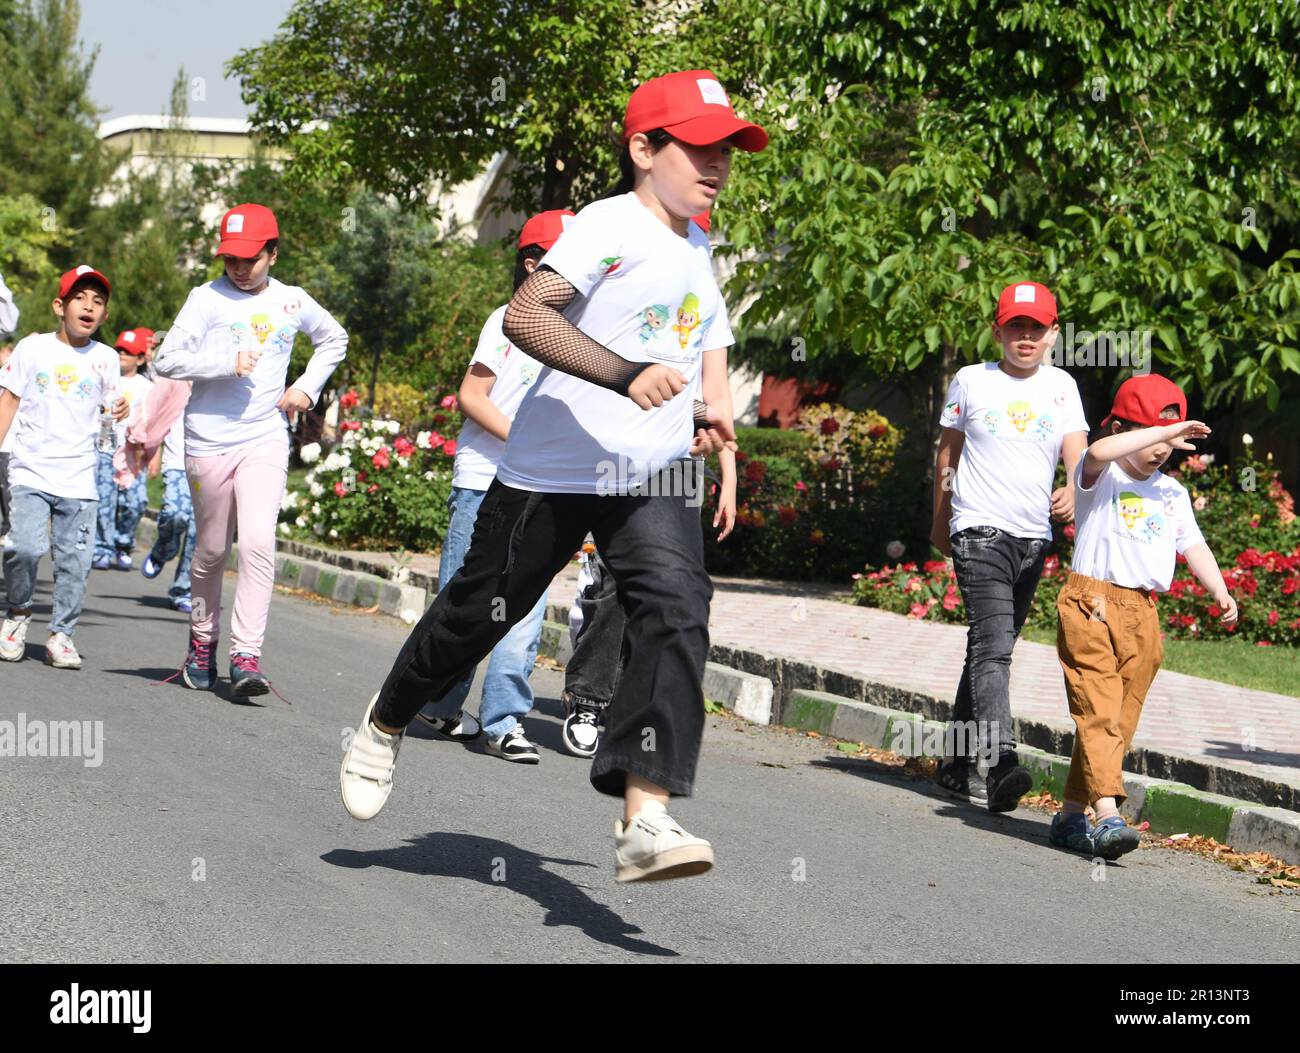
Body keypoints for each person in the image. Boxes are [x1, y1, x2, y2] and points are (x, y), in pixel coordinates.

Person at [340, 69, 763, 883]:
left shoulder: (700, 245)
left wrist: (716, 427)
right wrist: (622, 373)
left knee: (677, 608)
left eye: (728, 151)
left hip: (655, 471)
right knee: (477, 613)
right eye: (700, 148)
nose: (717, 166)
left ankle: (645, 817)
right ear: (644, 148)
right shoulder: (608, 226)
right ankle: (387, 718)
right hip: (553, 470)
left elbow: (698, 352)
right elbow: (526, 315)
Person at [152, 203, 348, 696]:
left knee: (258, 542)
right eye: (230, 259)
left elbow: (334, 339)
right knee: (213, 550)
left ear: (273, 254)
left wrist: (305, 387)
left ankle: (246, 656)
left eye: (250, 259)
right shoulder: (206, 299)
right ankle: (202, 643)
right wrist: (225, 361)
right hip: (208, 441)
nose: (239, 268)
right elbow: (166, 359)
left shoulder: (293, 301)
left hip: (264, 436)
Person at [1049, 375, 1237, 859]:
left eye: (1172, 440)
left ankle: (1071, 813)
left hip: (1142, 613)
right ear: (1122, 427)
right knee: (1100, 708)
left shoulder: (1171, 493)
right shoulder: (1099, 476)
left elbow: (1192, 544)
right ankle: (1107, 815)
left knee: (1119, 720)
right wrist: (1161, 430)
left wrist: (1219, 590)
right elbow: (1096, 451)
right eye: (1153, 436)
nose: (1162, 449)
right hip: (1090, 602)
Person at [413, 209, 574, 762]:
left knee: (524, 606)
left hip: (547, 491)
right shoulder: (504, 321)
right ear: (533, 264)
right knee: (465, 597)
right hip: (485, 480)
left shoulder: (587, 335)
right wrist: (522, 439)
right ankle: (440, 699)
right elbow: (472, 396)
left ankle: (505, 721)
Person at [930, 281, 1088, 811]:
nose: (1025, 336)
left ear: (1053, 335)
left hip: (1032, 540)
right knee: (994, 647)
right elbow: (947, 455)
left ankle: (952, 761)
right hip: (979, 530)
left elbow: (1079, 457)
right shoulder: (971, 381)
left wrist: (1073, 487)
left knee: (989, 646)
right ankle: (1000, 762)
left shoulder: (1063, 386)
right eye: (1016, 326)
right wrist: (940, 518)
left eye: (1036, 328)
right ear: (998, 330)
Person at [0, 266, 128, 669]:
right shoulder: (32, 348)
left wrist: (120, 413)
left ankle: (62, 634)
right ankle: (18, 614)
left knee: (74, 560)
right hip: (29, 470)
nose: (88, 307)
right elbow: (9, 401)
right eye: (79, 298)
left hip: (79, 476)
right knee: (23, 546)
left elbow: (110, 415)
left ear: (104, 315)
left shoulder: (106, 359)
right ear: (60, 305)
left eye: (98, 302)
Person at [93, 327, 153, 570]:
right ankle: (102, 548)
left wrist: (150, 453)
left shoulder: (146, 386)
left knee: (135, 501)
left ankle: (122, 542)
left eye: (128, 353)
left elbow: (151, 421)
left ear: (140, 359)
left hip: (133, 451)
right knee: (105, 499)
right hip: (107, 445)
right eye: (118, 350)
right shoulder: (107, 380)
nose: (122, 356)